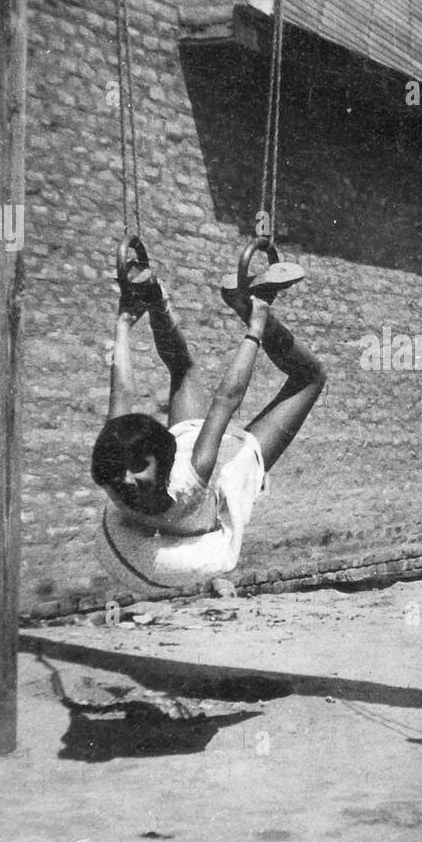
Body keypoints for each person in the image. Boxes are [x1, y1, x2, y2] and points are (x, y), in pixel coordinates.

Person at [91, 244, 325, 595]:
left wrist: (124, 321)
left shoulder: (118, 487)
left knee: (183, 368)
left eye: (137, 463)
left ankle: (157, 301)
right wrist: (255, 330)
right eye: (123, 471)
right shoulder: (187, 480)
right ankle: (250, 305)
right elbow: (224, 401)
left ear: (165, 455)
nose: (126, 478)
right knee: (311, 377)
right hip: (225, 482)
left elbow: (121, 393)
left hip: (189, 450)